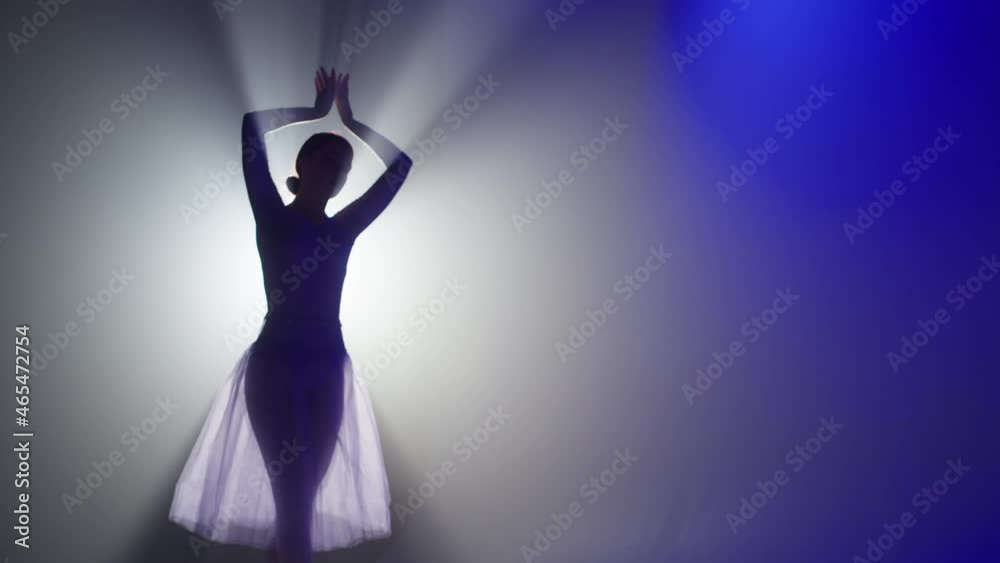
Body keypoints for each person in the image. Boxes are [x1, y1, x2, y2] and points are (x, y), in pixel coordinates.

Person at [169, 66, 412, 563]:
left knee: (293, 518)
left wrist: (352, 121)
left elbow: (401, 166)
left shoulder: (342, 228)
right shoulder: (273, 216)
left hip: (328, 365)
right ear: (303, 164)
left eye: (343, 167)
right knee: (296, 508)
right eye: (328, 160)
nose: (337, 171)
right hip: (276, 363)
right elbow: (250, 127)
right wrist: (317, 113)